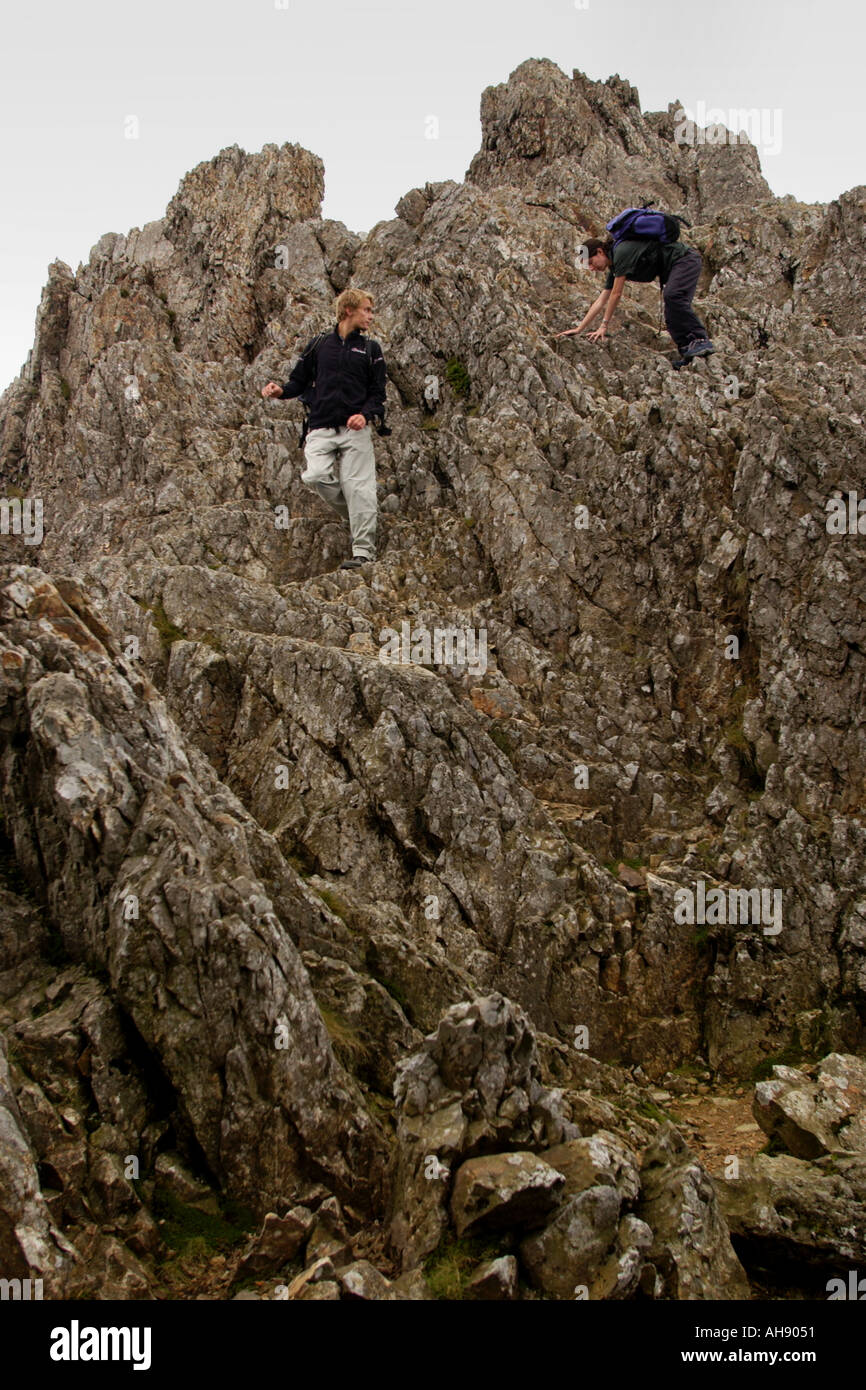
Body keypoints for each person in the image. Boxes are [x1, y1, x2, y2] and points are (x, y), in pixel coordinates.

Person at [261, 289, 387, 568]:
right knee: (315, 475)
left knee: (359, 488)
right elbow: (298, 381)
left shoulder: (371, 350)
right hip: (319, 426)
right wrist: (280, 391)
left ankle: (363, 553)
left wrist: (365, 416)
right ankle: (355, 516)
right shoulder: (319, 345)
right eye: (366, 309)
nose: (370, 316)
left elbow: (378, 395)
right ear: (348, 311)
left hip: (356, 429)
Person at [557, 236, 714, 365]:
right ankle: (688, 352)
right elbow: (601, 299)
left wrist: (603, 326)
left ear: (599, 252)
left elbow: (616, 294)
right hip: (676, 266)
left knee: (673, 296)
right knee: (671, 315)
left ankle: (700, 340)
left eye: (591, 262)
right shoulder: (614, 267)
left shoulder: (620, 254)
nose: (591, 268)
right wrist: (580, 329)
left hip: (685, 260)